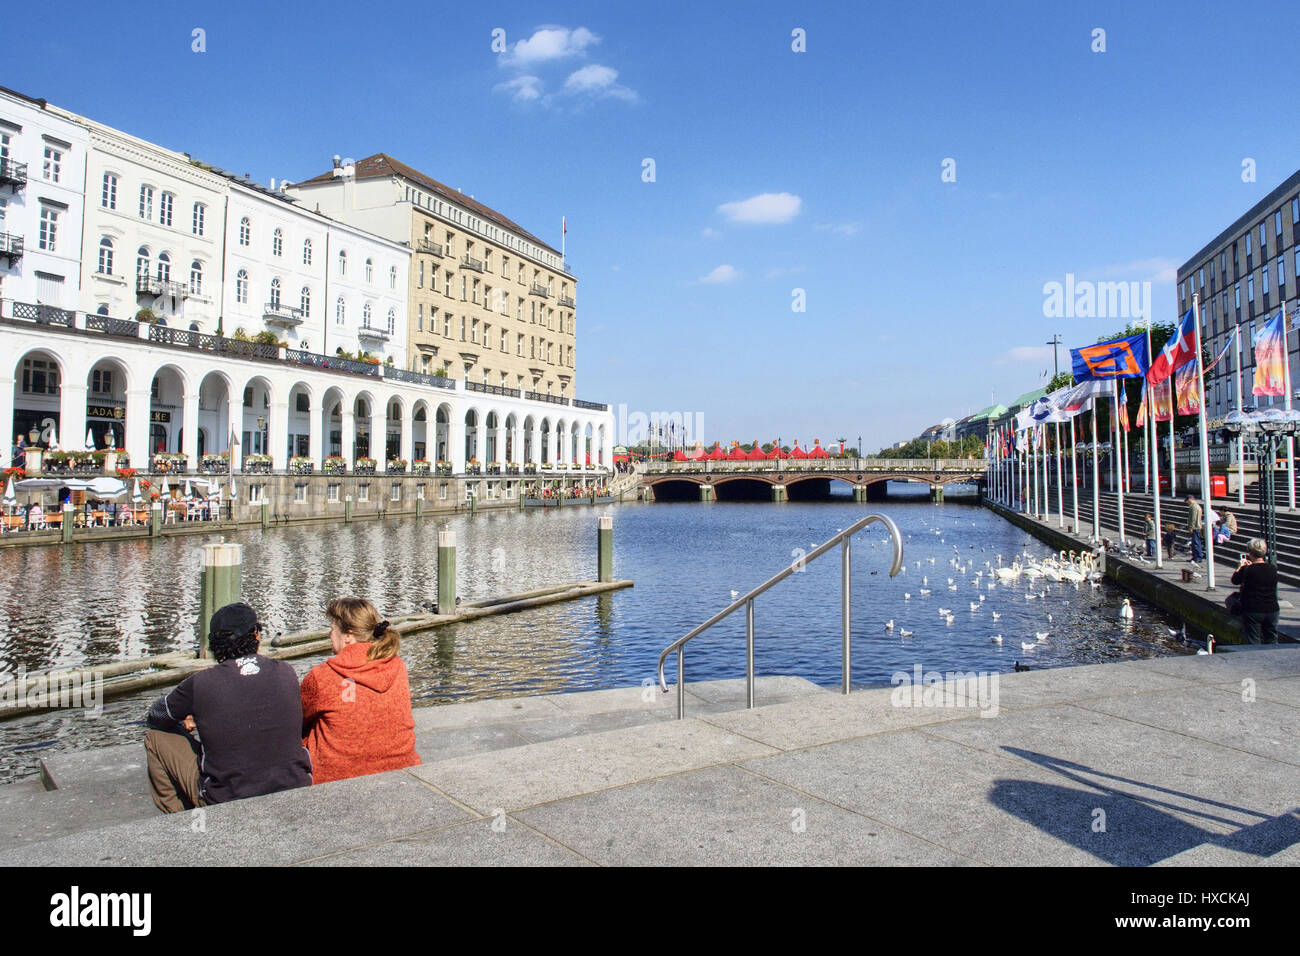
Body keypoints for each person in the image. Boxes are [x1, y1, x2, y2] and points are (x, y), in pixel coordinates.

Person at [144, 602, 312, 812]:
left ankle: (181, 820)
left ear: (214, 644)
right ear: (256, 636)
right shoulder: (286, 672)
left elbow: (156, 716)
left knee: (154, 738)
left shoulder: (201, 683)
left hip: (228, 797)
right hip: (294, 785)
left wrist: (191, 712)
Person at [300, 597, 420, 785]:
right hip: (402, 767)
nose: (330, 635)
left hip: (335, 777)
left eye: (332, 629)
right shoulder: (397, 666)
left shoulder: (322, 675)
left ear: (347, 635)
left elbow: (298, 720)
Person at [1230, 538, 1279, 644]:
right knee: (1272, 639)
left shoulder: (1247, 569)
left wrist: (1240, 567)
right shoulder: (1272, 568)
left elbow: (1235, 580)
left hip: (1253, 609)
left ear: (1250, 552)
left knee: (1253, 640)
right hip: (1272, 609)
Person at [1185, 495, 1204, 562]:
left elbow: (1193, 518)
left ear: (1190, 499)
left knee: (1196, 542)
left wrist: (1191, 527)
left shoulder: (1193, 507)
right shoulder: (1196, 506)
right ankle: (1195, 556)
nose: (1187, 502)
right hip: (1196, 526)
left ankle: (1198, 557)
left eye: (1187, 501)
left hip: (1195, 527)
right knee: (1194, 542)